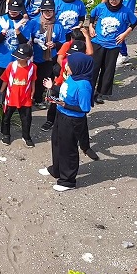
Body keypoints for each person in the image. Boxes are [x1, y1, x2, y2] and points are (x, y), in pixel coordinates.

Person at [40, 53, 97, 191]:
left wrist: (65, 105)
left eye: (69, 64)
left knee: (68, 149)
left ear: (78, 67)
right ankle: (57, 169)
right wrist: (52, 87)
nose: (66, 66)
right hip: (61, 114)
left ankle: (68, 181)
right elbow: (64, 91)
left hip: (73, 120)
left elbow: (84, 109)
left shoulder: (84, 86)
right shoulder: (72, 77)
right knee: (57, 142)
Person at [89, 0, 137, 104]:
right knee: (94, 68)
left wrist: (124, 34)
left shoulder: (125, 11)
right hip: (98, 42)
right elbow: (92, 15)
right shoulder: (101, 7)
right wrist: (91, 26)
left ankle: (100, 93)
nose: (113, 1)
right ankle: (89, 92)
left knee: (108, 70)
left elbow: (134, 22)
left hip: (113, 45)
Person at [0, 43, 37, 148]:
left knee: (26, 118)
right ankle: (6, 134)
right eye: (18, 57)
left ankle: (26, 136)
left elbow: (33, 80)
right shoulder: (11, 65)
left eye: (22, 57)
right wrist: (1, 92)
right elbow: (5, 80)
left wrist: (33, 91)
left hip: (25, 97)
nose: (19, 59)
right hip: (11, 96)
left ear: (28, 58)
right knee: (6, 117)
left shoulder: (33, 67)